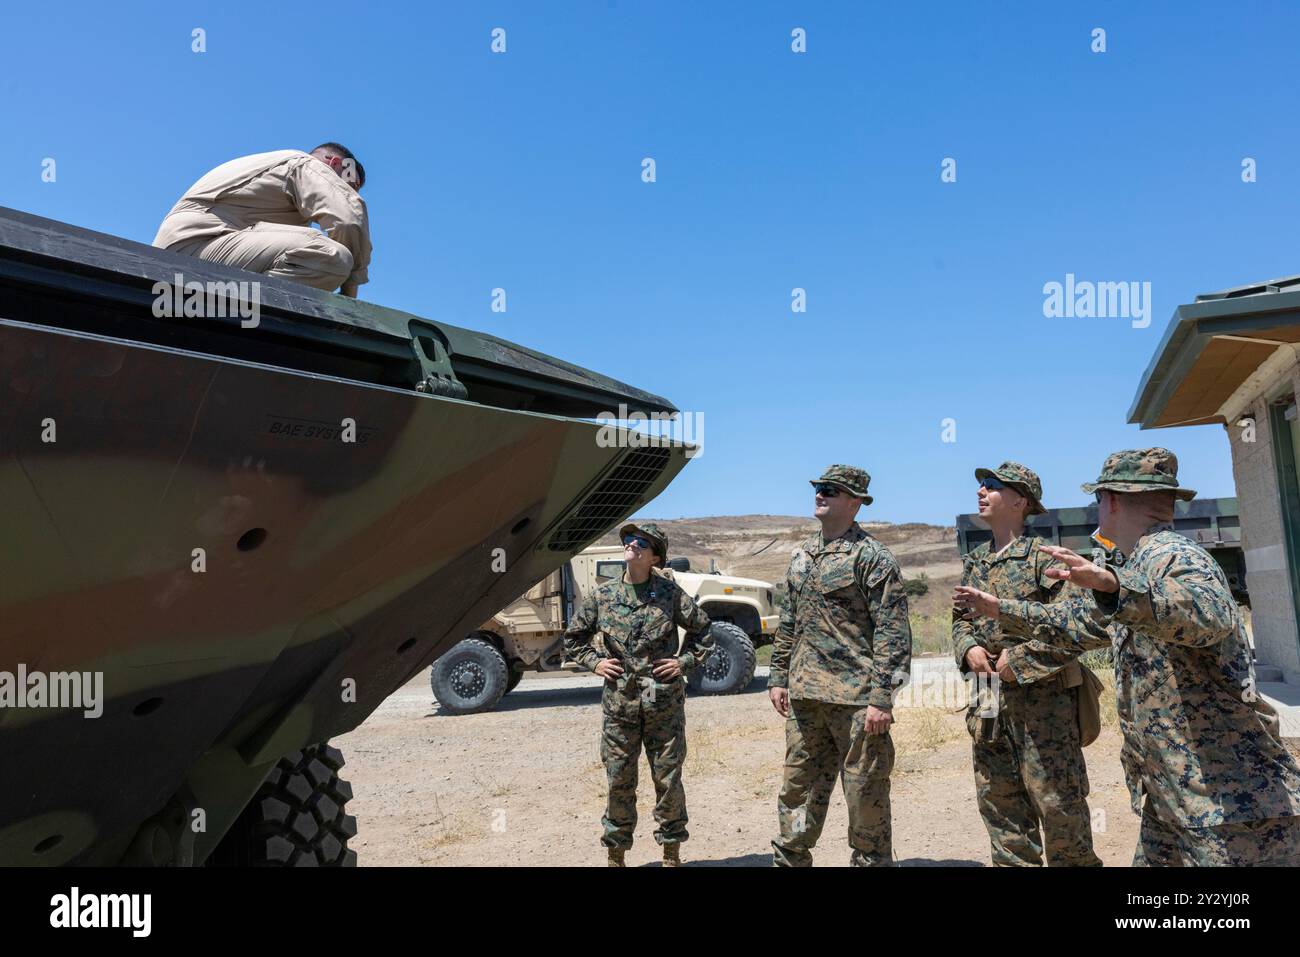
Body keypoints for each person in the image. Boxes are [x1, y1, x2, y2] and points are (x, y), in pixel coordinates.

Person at [955, 448, 1300, 865]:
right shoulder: (1133, 563)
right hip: (1172, 793)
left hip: (1227, 802)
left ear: (1113, 501)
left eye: (1099, 498)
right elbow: (1075, 622)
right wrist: (1001, 608)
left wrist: (1116, 587)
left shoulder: (1174, 555)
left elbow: (1212, 615)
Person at [952, 462, 1101, 866]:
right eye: (981, 485)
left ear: (1020, 501)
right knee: (999, 806)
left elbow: (1076, 629)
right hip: (987, 701)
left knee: (1059, 806)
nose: (981, 491)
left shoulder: (1044, 559)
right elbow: (960, 622)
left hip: (1044, 704)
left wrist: (1018, 661)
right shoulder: (976, 561)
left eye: (992, 486)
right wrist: (968, 649)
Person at [768, 465, 912, 866]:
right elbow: (790, 622)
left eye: (830, 490)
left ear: (854, 502)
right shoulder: (802, 556)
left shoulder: (872, 558)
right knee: (798, 790)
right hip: (805, 698)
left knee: (864, 794)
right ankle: (790, 860)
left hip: (856, 702)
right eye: (818, 488)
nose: (820, 494)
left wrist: (882, 698)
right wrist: (778, 676)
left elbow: (893, 632)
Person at [562, 522, 713, 866]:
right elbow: (573, 640)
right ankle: (616, 854)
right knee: (619, 781)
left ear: (655, 556)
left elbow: (704, 630)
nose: (632, 544)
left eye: (641, 543)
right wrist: (596, 663)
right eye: (629, 540)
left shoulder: (670, 595)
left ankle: (671, 853)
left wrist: (684, 661)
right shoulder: (604, 596)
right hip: (620, 707)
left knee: (668, 781)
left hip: (664, 705)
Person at [153, 143, 370, 295]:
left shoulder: (276, 180)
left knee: (310, 250)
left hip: (188, 248)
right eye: (349, 185)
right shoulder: (305, 164)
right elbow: (347, 219)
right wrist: (350, 296)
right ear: (334, 163)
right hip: (197, 245)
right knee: (332, 256)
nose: (348, 192)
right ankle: (239, 313)